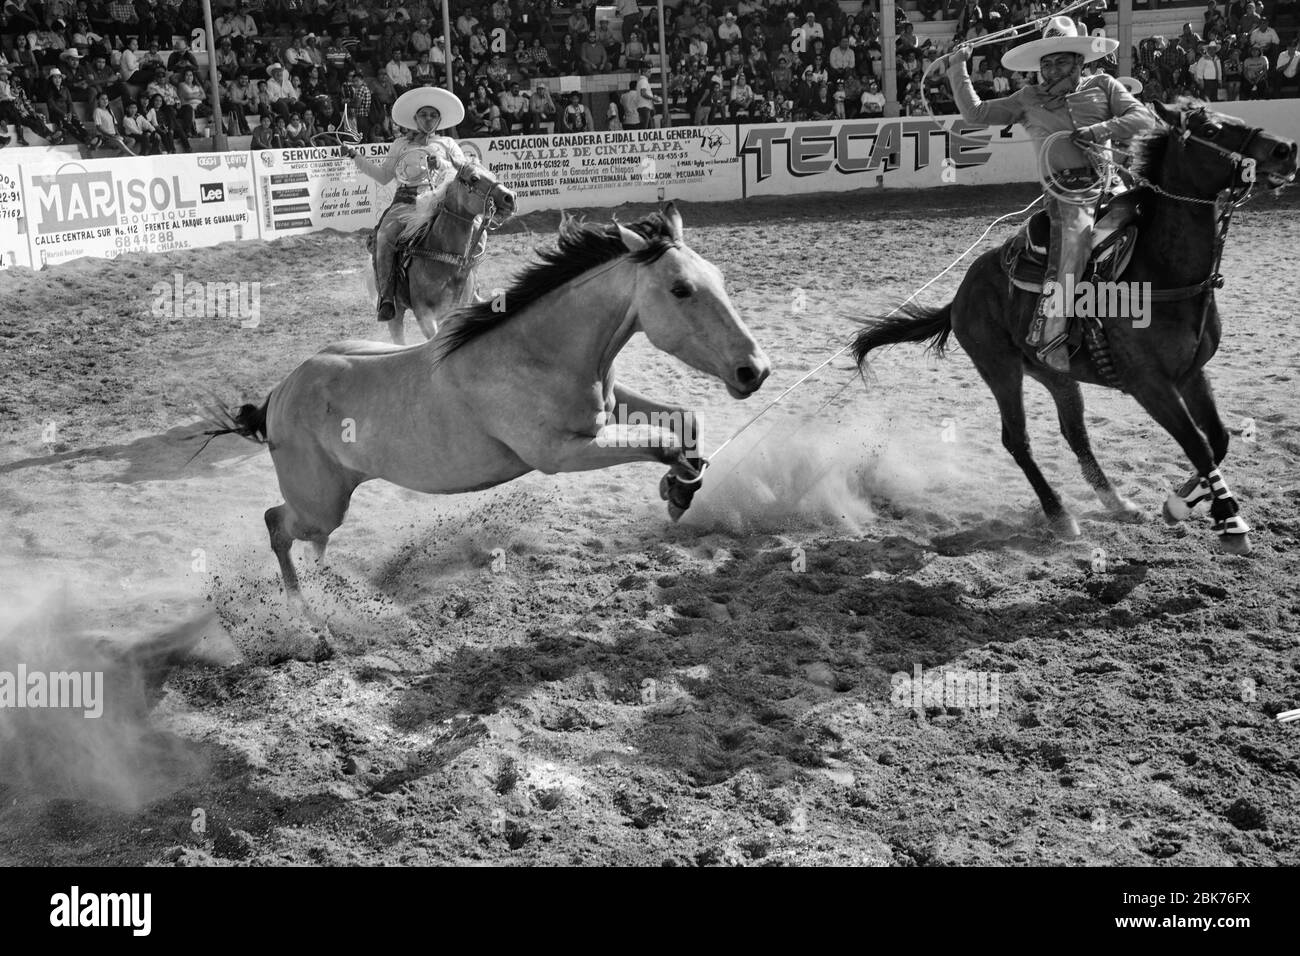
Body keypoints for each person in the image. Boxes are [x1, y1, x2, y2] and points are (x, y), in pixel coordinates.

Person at [943, 16, 1155, 372]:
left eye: (1060, 62)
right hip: (1067, 194)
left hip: (1112, 184)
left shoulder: (1103, 85)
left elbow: (1143, 118)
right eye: (1047, 64)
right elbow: (975, 113)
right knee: (1075, 243)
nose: (1051, 70)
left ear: (1078, 62)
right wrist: (957, 67)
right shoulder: (1027, 99)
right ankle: (1052, 335)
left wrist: (1099, 130)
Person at [342, 86, 467, 325]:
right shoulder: (400, 144)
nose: (428, 119)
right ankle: (387, 298)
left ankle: (472, 289)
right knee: (384, 237)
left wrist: (441, 164)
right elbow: (383, 176)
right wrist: (355, 157)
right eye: (423, 115)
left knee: (472, 233)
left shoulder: (448, 143)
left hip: (439, 203)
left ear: (439, 119)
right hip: (404, 203)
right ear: (415, 118)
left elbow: (464, 171)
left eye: (433, 115)